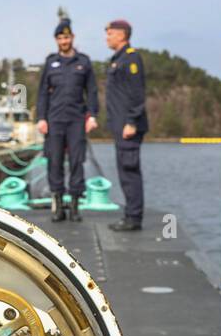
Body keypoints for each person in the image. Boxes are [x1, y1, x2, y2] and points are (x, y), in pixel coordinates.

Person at [36, 19, 98, 222]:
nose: (64, 41)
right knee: (54, 161)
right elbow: (42, 93)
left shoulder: (84, 62)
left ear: (72, 38)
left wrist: (92, 116)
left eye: (67, 37)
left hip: (76, 120)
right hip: (54, 120)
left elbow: (93, 92)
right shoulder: (51, 62)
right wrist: (41, 118)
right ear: (56, 40)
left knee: (77, 162)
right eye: (60, 38)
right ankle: (58, 205)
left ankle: (74, 206)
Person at [103, 19, 148, 231]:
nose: (107, 37)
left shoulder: (131, 59)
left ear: (122, 35)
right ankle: (131, 214)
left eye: (110, 33)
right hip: (120, 126)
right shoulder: (118, 59)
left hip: (128, 128)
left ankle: (133, 218)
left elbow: (137, 94)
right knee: (124, 171)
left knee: (129, 172)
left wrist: (131, 121)